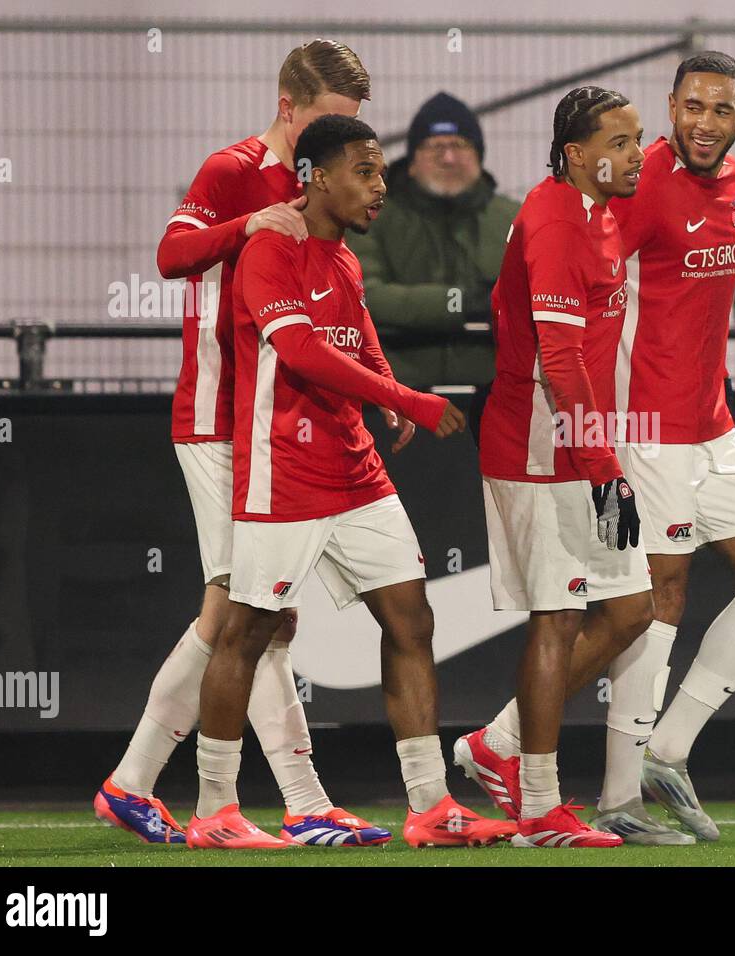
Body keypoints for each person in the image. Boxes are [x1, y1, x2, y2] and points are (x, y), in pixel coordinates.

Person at [185, 114, 512, 850]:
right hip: (283, 473)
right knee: (248, 630)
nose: (378, 189)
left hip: (355, 470)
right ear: (316, 176)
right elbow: (300, 352)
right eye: (365, 173)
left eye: (383, 176)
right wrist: (409, 400)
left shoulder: (345, 262)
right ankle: (214, 809)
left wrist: (383, 390)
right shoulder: (269, 248)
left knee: (411, 619)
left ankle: (431, 805)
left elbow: (356, 334)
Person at [95, 39, 392, 847]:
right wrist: (244, 224)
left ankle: (140, 783)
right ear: (287, 106)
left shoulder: (324, 187)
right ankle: (285, 800)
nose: (341, 144)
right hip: (217, 420)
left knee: (258, 614)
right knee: (247, 612)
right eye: (328, 123)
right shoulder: (232, 170)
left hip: (273, 427)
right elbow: (168, 256)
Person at [453, 87, 654, 849]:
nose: (638, 153)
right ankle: (539, 809)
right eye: (623, 141)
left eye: (640, 138)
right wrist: (606, 467)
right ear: (577, 153)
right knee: (559, 615)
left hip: (580, 445)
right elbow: (560, 363)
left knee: (631, 609)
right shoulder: (557, 222)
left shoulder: (592, 208)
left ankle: (496, 746)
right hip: (541, 448)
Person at [346, 92, 519, 387]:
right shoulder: (371, 219)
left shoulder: (515, 219)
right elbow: (365, 297)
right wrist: (464, 302)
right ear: (411, 161)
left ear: (479, 155)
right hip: (397, 400)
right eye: (435, 147)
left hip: (496, 399)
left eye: (460, 145)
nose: (449, 158)